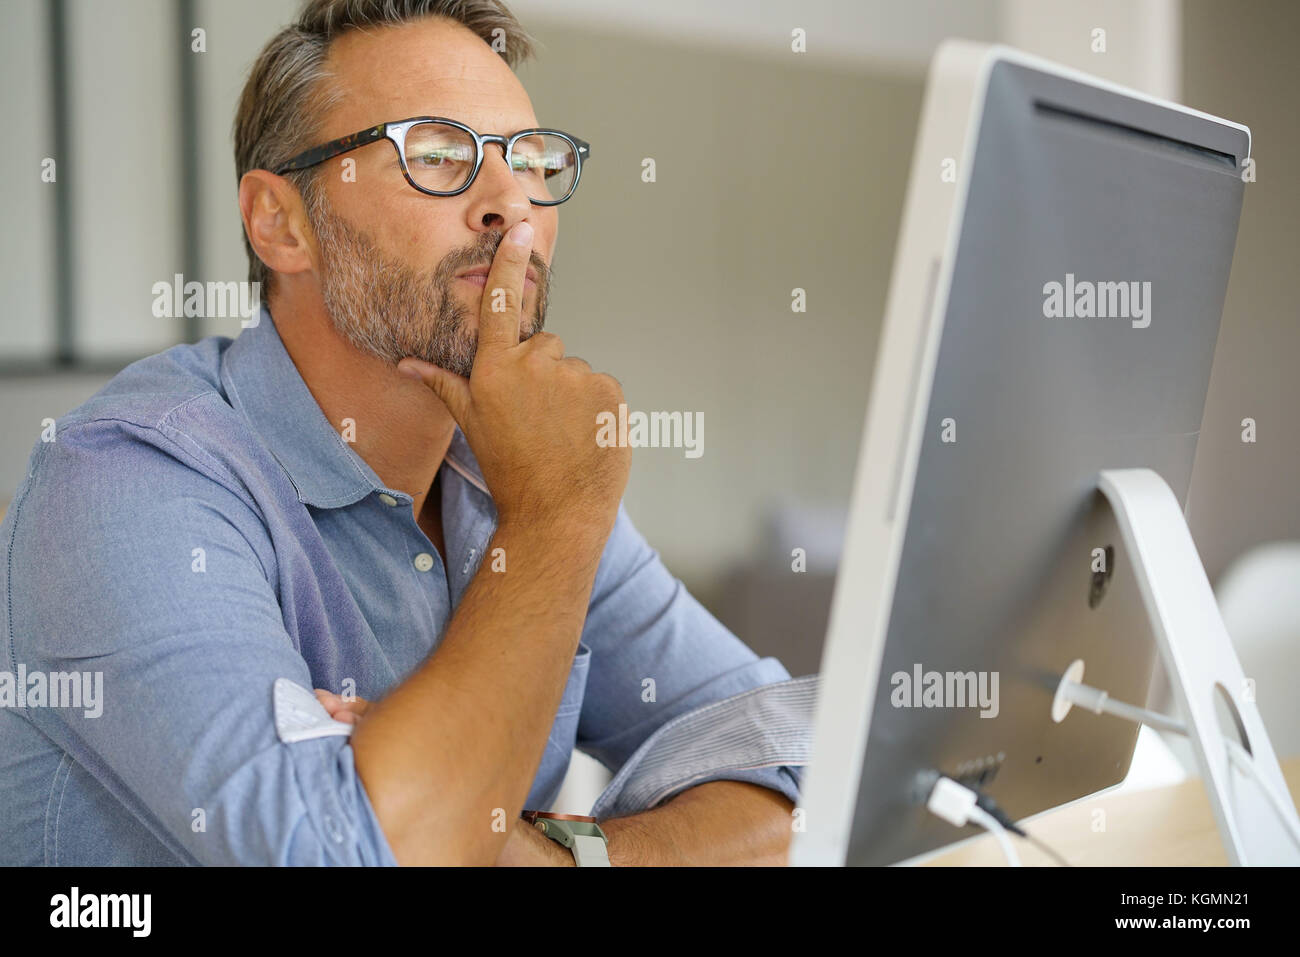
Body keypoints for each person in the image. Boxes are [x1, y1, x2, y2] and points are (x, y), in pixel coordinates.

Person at [0, 0, 813, 866]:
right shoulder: (126, 478)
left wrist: (562, 857)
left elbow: (795, 759)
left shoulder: (519, 471)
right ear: (281, 222)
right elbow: (343, 856)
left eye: (532, 162)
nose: (513, 207)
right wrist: (550, 527)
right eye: (435, 156)